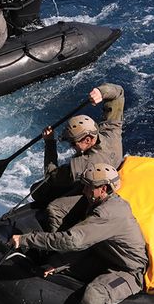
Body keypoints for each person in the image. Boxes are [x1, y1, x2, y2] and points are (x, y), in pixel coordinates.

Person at [5, 163, 148, 304]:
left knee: (94, 294)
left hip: (127, 270)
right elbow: (88, 244)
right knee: (49, 268)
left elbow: (73, 240)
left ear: (104, 189)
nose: (84, 190)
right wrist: (58, 264)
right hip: (103, 257)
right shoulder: (98, 203)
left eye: (89, 186)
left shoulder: (109, 212)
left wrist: (27, 239)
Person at [32, 83, 125, 228]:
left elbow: (51, 176)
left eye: (73, 143)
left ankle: (57, 239)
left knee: (50, 204)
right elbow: (118, 94)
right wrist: (101, 92)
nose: (71, 146)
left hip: (93, 190)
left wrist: (49, 143)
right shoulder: (111, 133)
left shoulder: (83, 164)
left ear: (88, 140)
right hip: (109, 176)